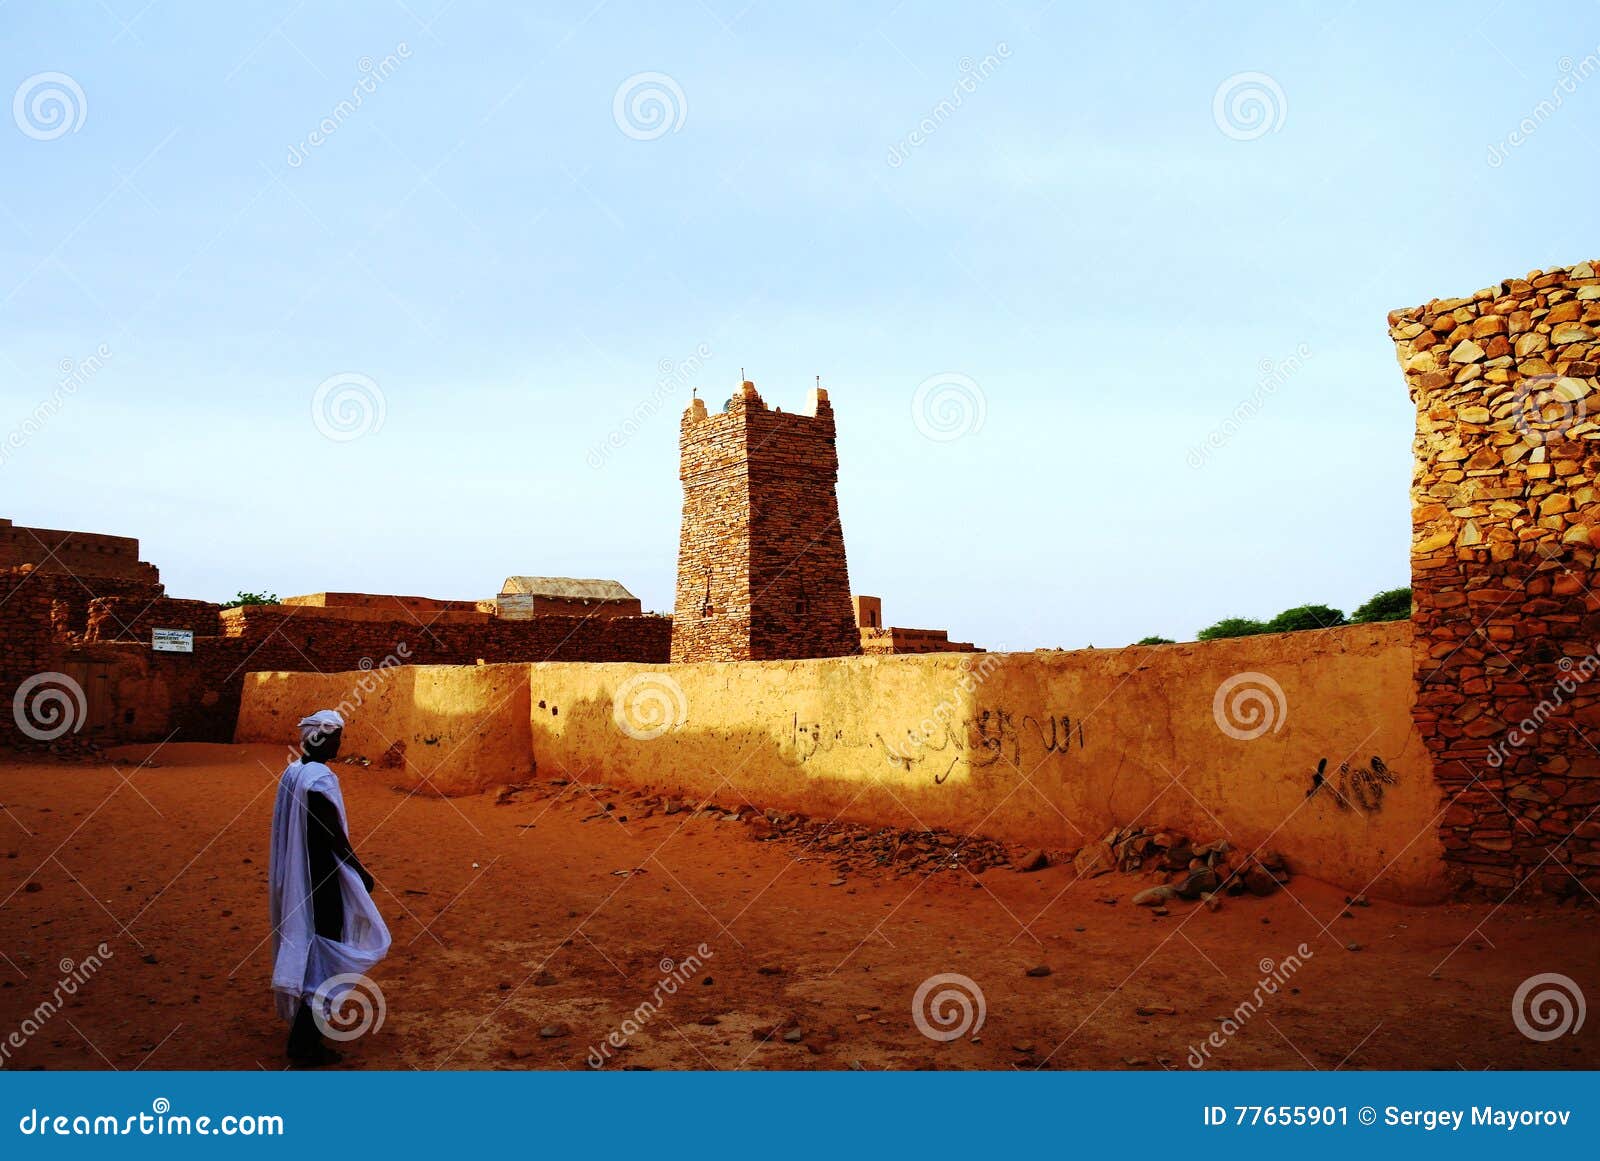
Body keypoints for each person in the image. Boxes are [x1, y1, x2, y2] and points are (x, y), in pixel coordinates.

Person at [268, 709, 391, 1065]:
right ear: (321, 738)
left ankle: (306, 1041)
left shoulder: (294, 771)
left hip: (301, 874)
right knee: (326, 954)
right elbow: (330, 831)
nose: (340, 744)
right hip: (321, 877)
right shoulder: (319, 777)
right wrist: (358, 869)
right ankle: (305, 1046)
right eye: (336, 737)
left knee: (316, 949)